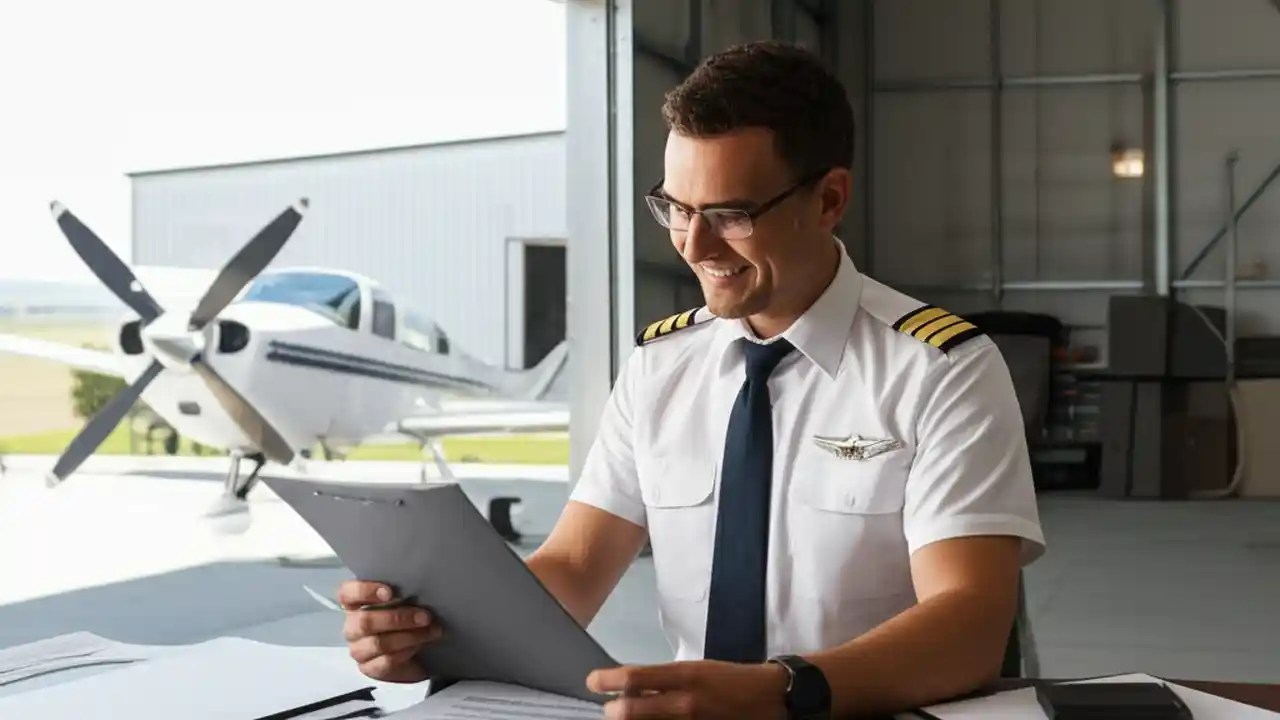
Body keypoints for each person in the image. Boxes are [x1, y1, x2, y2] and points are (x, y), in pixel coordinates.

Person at [338, 40, 1045, 719]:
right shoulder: (660, 368)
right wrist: (436, 637)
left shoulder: (939, 370)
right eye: (677, 208)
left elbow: (969, 627)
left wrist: (776, 694)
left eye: (731, 215)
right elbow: (574, 570)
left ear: (829, 200)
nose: (694, 246)